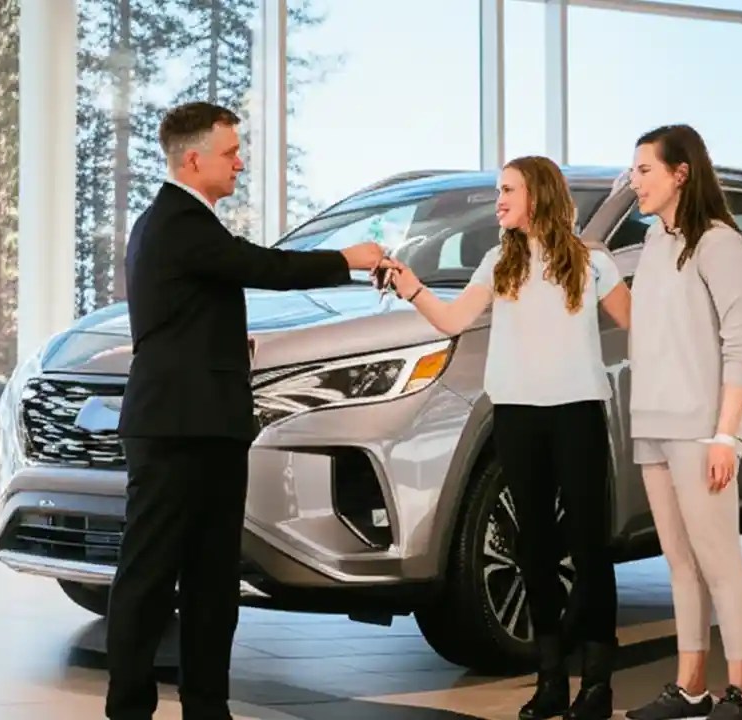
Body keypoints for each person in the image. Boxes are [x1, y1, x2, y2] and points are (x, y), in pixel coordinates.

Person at [106, 101, 386, 720]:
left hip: (201, 424)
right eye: (231, 152)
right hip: (180, 430)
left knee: (210, 580)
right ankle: (129, 709)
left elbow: (182, 318)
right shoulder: (181, 221)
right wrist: (349, 258)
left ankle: (207, 707)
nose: (240, 163)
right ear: (193, 159)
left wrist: (230, 346)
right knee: (151, 577)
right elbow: (263, 266)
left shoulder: (171, 222)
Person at [381, 155, 631, 720]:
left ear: (538, 195)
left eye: (508, 190)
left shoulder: (593, 261)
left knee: (590, 548)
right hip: (516, 415)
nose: (499, 201)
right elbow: (452, 321)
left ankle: (597, 686)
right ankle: (550, 680)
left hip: (578, 413)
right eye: (500, 190)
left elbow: (637, 323)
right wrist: (411, 287)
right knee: (533, 547)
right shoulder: (499, 263)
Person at [622, 124, 742, 720]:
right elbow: (647, 327)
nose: (634, 182)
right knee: (680, 563)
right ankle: (691, 688)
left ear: (681, 173)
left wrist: (725, 435)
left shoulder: (719, 243)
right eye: (633, 171)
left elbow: (741, 345)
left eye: (644, 171)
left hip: (700, 428)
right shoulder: (654, 242)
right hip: (652, 422)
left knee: (718, 561)